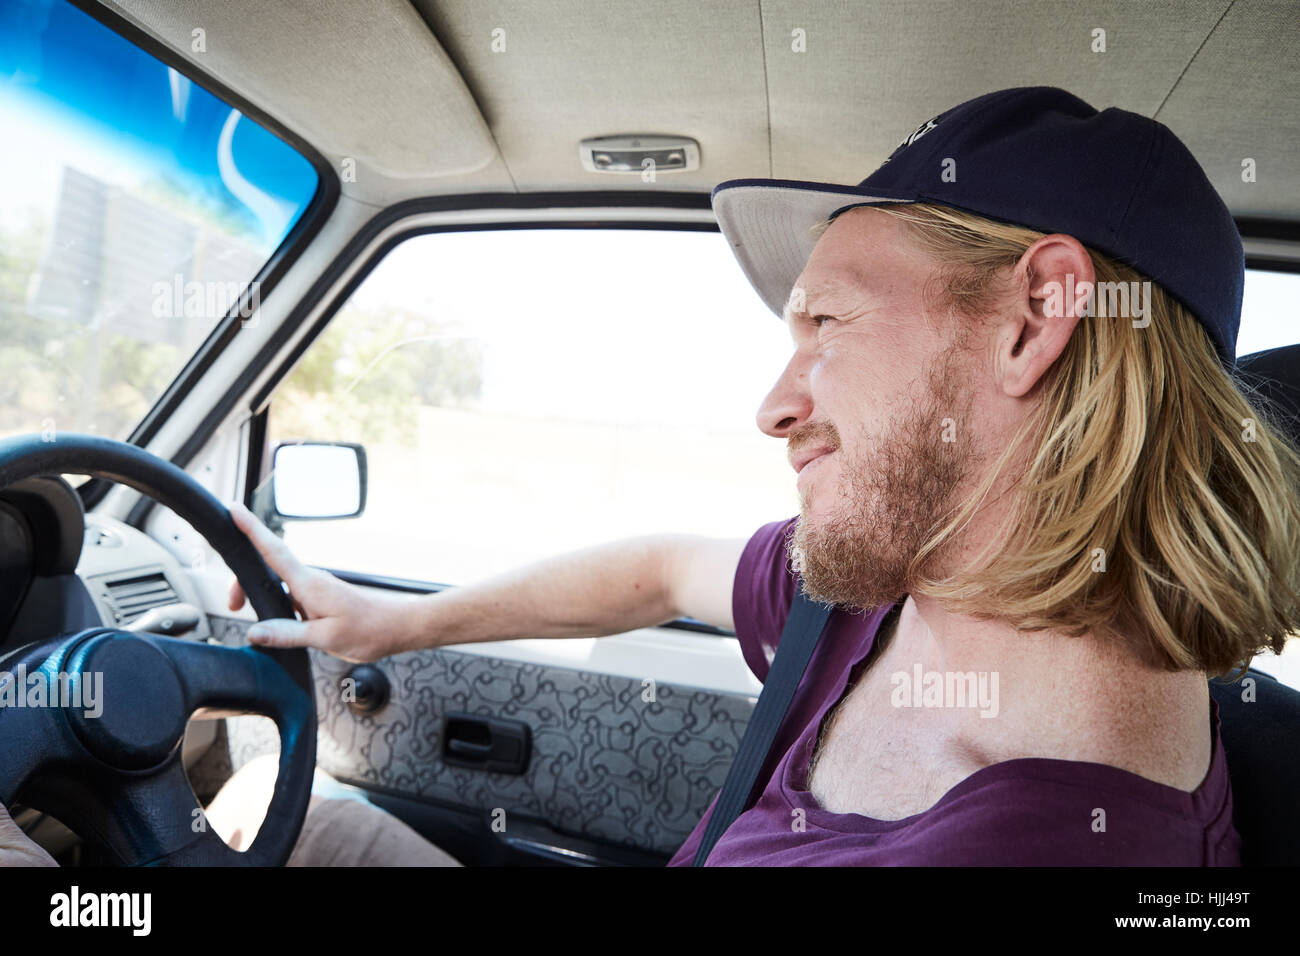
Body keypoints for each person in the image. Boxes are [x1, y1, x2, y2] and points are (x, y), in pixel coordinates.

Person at [5, 86, 1298, 866]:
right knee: (314, 829)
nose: (773, 405)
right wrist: (393, 620)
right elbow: (662, 567)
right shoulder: (909, 586)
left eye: (827, 326)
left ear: (1034, 320)